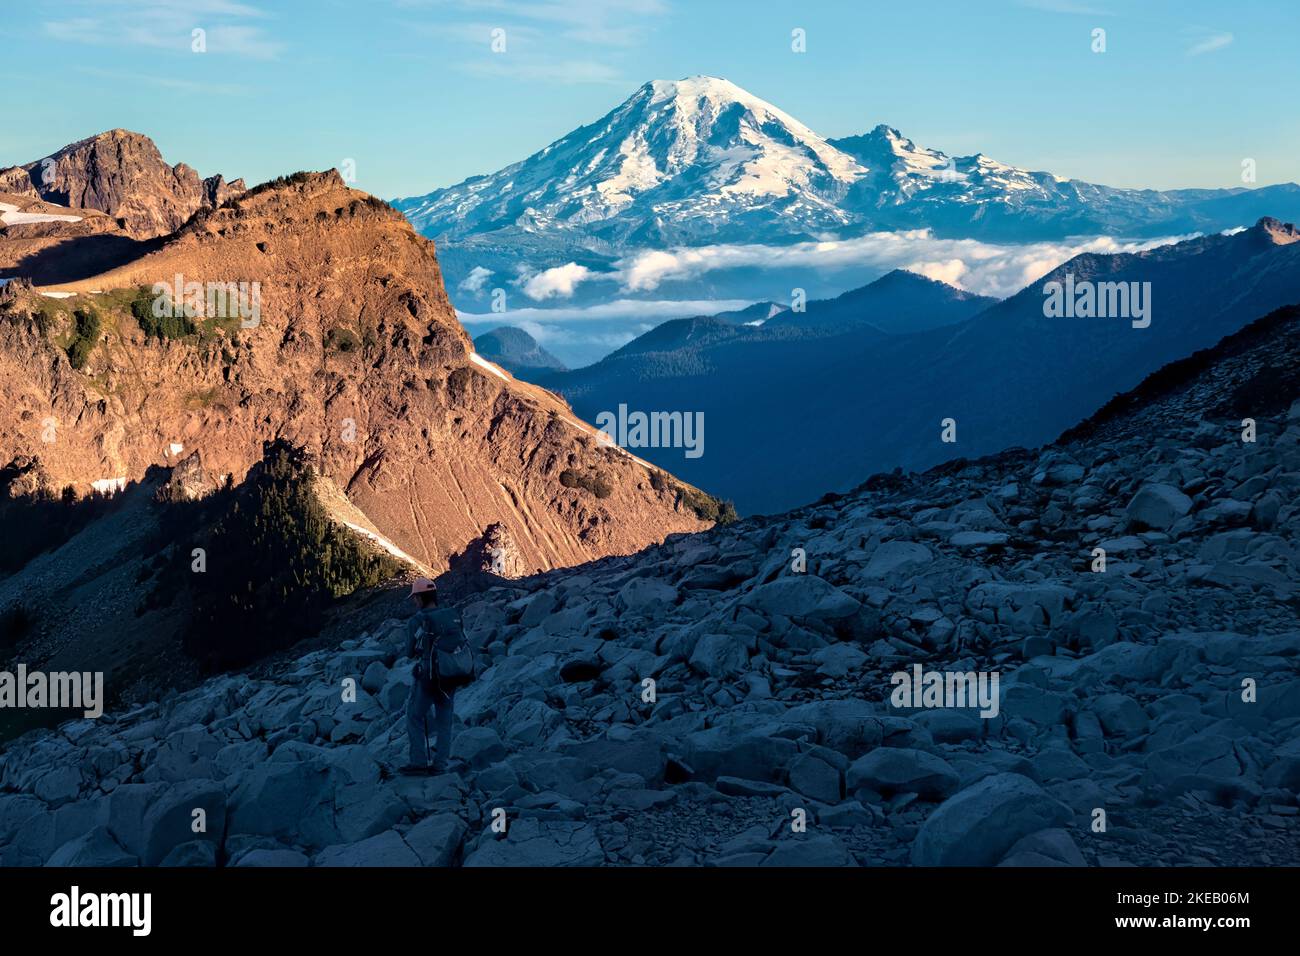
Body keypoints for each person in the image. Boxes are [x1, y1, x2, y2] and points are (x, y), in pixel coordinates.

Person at [400, 578, 459, 776]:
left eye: (415, 598)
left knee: (415, 717)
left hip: (427, 676)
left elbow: (409, 652)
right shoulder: (450, 614)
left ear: (419, 597)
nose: (414, 602)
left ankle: (418, 762)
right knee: (445, 720)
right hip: (450, 674)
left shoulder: (417, 620)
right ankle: (440, 764)